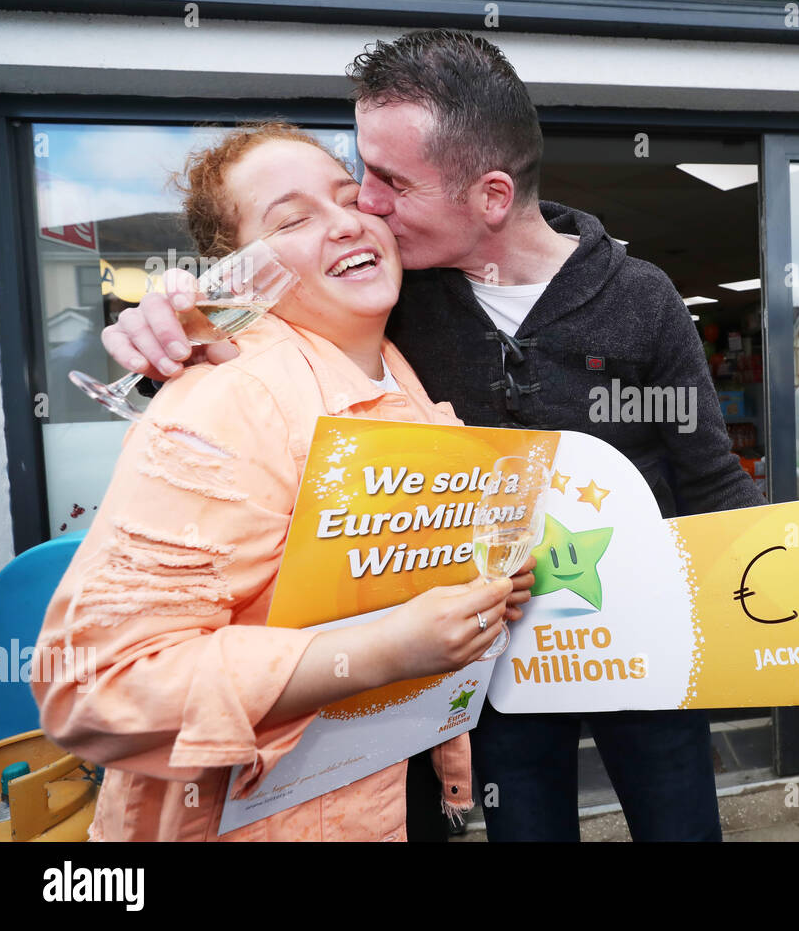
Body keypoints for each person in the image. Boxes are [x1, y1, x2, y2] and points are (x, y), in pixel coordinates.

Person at [99, 29, 799, 841]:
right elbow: (268, 321)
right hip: (491, 671)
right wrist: (174, 313)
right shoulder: (388, 299)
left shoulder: (642, 299)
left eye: (387, 182)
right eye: (360, 175)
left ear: (490, 196)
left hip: (646, 648)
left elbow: (716, 488)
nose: (365, 205)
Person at [33, 123, 535, 841]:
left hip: (397, 791)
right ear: (237, 271)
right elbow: (94, 686)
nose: (343, 224)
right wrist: (385, 650)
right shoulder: (229, 394)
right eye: (294, 219)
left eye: (348, 197)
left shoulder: (405, 373)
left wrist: (481, 589)